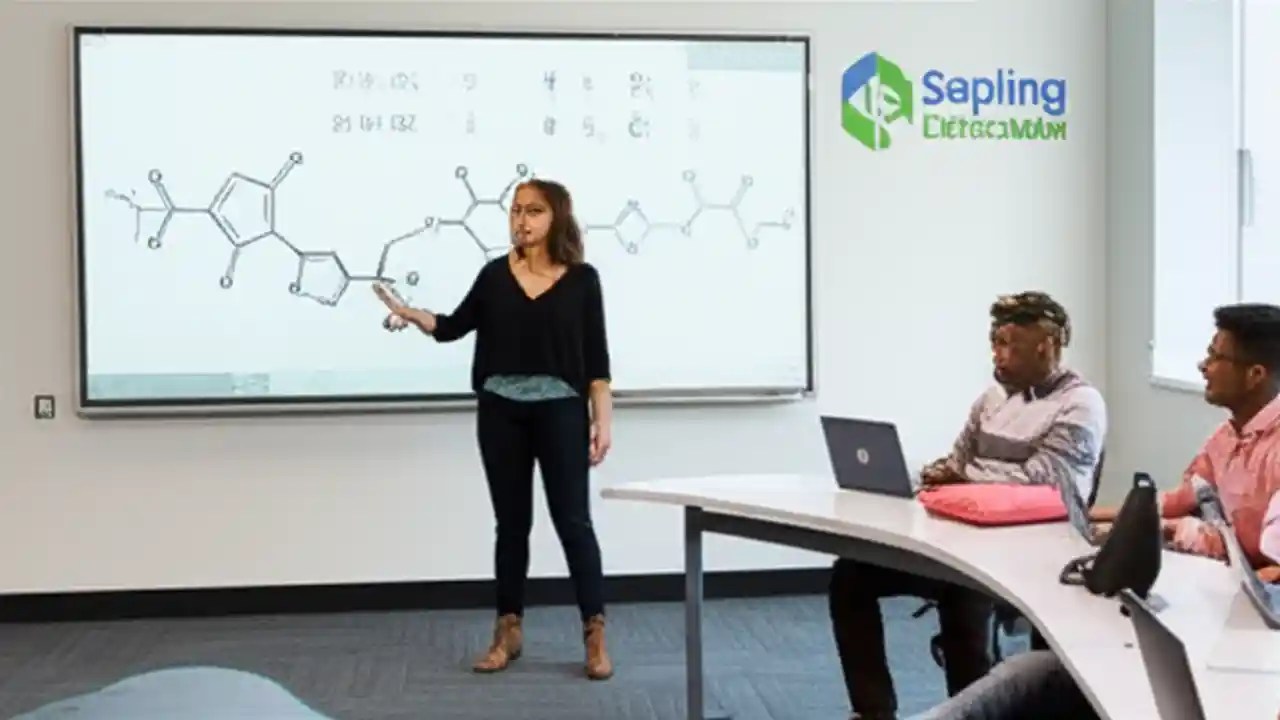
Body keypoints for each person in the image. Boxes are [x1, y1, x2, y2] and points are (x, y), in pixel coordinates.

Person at [373, 178, 615, 681]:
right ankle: (508, 631)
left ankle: (594, 634)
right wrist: (412, 314)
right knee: (512, 525)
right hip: (501, 411)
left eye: (534, 211)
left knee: (574, 523)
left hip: (562, 413)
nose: (521, 220)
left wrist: (602, 421)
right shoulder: (492, 276)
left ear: (557, 218)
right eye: (515, 211)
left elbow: (597, 362)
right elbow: (452, 326)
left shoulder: (583, 280)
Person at [829, 291, 1108, 720]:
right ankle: (873, 712)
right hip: (962, 539)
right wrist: (929, 472)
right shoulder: (991, 400)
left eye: (1008, 344)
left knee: (964, 592)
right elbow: (958, 463)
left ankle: (973, 712)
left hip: (1029, 550)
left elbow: (1048, 484)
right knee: (851, 574)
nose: (996, 355)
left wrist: (964, 477)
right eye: (994, 343)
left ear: (1046, 346)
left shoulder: (1080, 403)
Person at [1092, 303, 1280, 583]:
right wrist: (1092, 517)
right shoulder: (1227, 437)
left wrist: (1170, 530)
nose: (1203, 367)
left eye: (1216, 357)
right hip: (1230, 580)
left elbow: (1274, 576)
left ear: (1255, 375)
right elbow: (1180, 500)